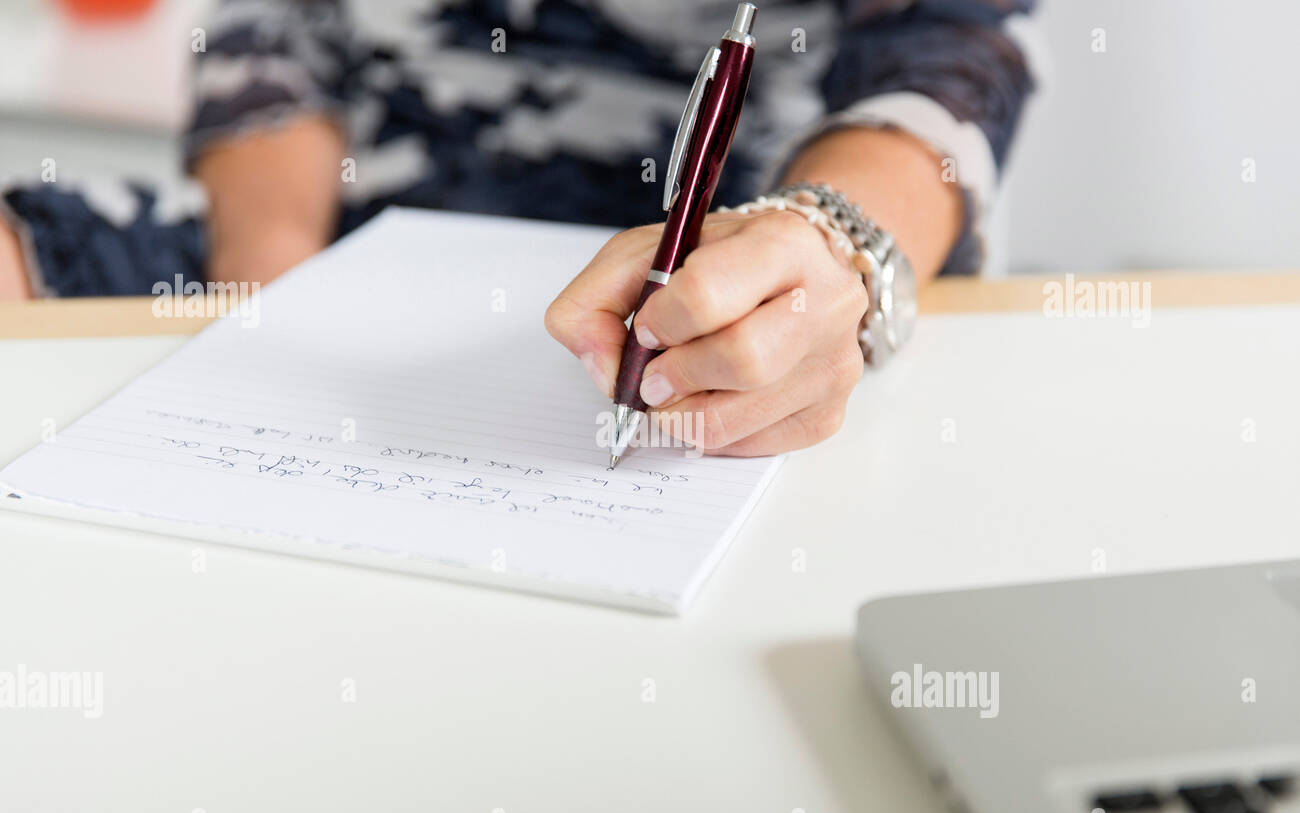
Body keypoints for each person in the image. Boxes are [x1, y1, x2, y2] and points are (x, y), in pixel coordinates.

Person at [0, 0, 1036, 455]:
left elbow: (945, 57)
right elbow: (271, 31)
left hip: (722, 265)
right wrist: (272, 290)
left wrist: (831, 239)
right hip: (333, 235)